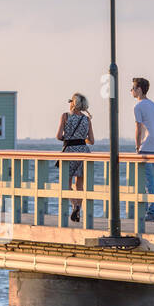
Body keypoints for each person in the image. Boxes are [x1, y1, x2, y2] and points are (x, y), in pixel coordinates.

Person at [56, 93, 94, 223]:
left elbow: (58, 135)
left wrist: (68, 138)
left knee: (66, 183)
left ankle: (75, 205)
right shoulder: (87, 119)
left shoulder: (65, 116)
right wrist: (81, 138)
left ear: (73, 103)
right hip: (84, 152)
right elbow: (91, 140)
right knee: (80, 184)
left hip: (69, 152)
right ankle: (78, 208)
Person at [132, 77, 154, 225]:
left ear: (139, 90)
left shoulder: (139, 106)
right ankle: (151, 210)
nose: (131, 91)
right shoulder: (153, 105)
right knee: (152, 181)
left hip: (146, 147)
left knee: (148, 182)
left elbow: (138, 128)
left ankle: (152, 212)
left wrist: (137, 147)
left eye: (133, 88)